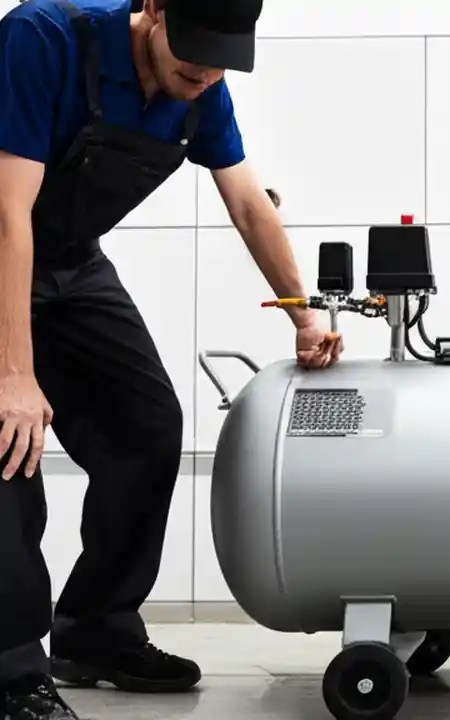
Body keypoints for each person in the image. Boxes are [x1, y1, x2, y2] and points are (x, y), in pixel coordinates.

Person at [0, 0, 344, 716]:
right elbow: (9, 215)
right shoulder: (44, 39)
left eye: (222, 59)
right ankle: (10, 668)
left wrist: (302, 315)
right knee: (9, 451)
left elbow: (249, 202)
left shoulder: (204, 86)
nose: (207, 73)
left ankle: (96, 629)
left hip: (69, 265)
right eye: (194, 54)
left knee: (146, 430)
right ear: (152, 8)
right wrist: (15, 375)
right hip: (4, 246)